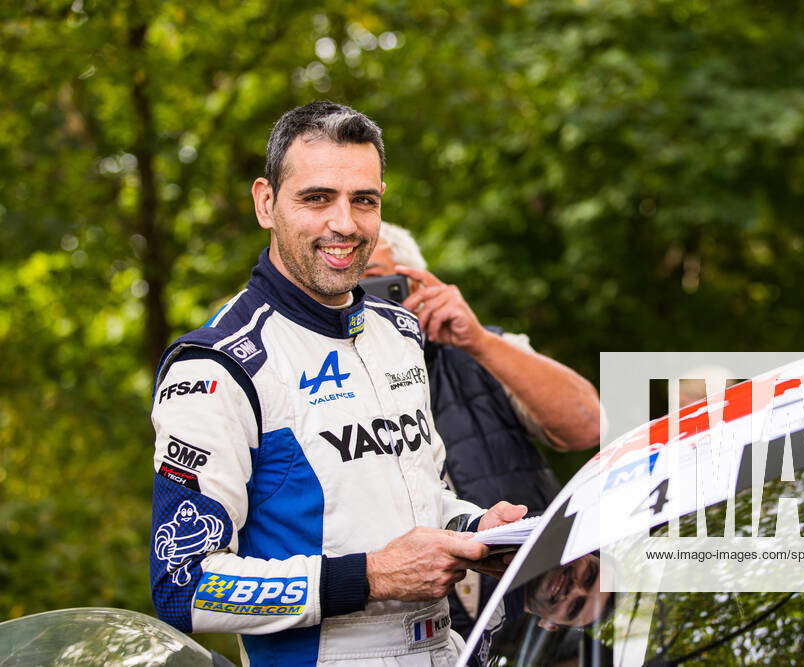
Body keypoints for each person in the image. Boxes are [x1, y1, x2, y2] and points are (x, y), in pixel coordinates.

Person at [149, 101, 527, 666]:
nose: (345, 224)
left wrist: (478, 531)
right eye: (317, 198)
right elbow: (183, 588)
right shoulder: (217, 365)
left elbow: (421, 501)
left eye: (364, 200)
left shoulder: (400, 333)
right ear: (265, 203)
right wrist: (371, 577)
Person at [362, 223, 601, 636]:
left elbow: (587, 426)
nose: (361, 299)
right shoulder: (311, 388)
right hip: (414, 642)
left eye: (376, 281)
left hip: (543, 634)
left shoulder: (476, 350)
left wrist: (476, 341)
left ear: (415, 284)